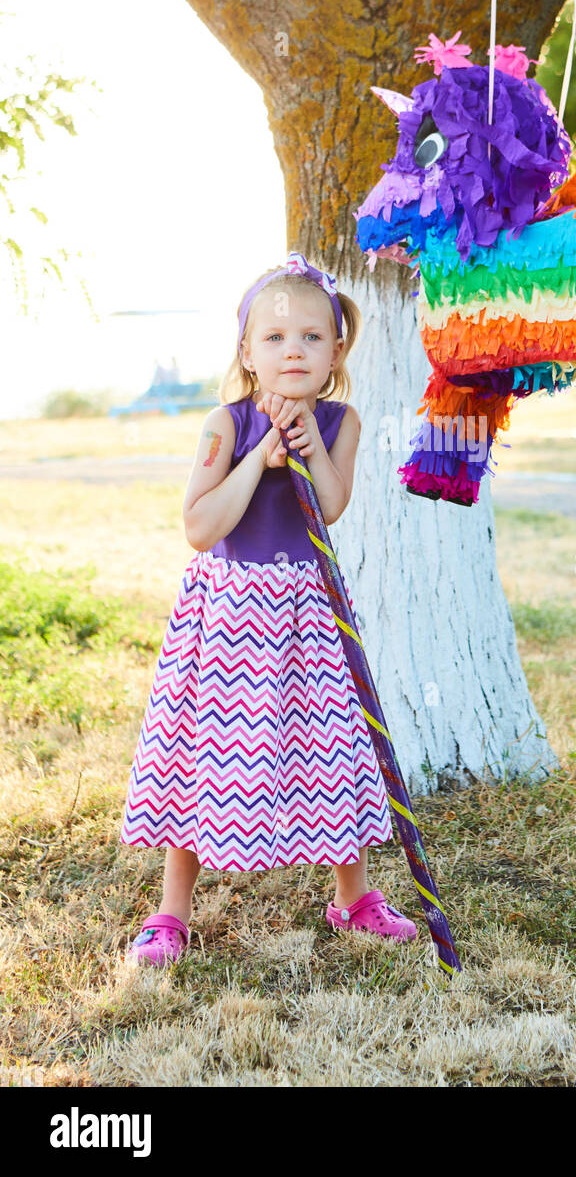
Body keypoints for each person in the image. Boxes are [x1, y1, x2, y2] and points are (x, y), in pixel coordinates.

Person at [119, 251, 416, 964]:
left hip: (308, 616)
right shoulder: (225, 423)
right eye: (276, 338)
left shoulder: (340, 422)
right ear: (248, 353)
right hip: (228, 615)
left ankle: (352, 897)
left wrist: (310, 446)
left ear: (336, 351)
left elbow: (333, 506)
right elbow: (199, 526)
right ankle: (171, 911)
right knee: (204, 752)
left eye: (312, 338)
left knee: (332, 748)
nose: (295, 351)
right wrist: (260, 459)